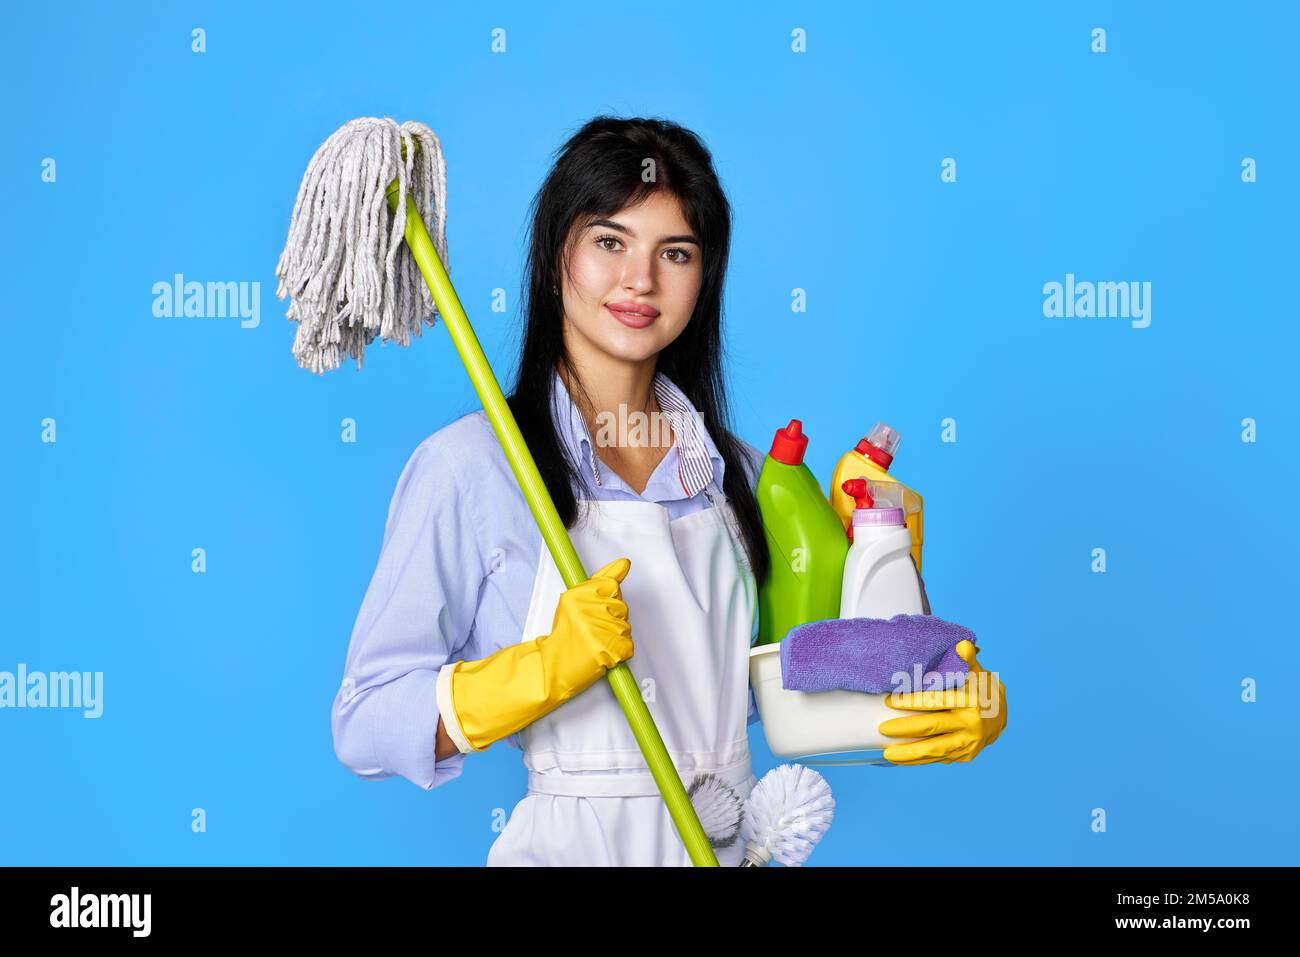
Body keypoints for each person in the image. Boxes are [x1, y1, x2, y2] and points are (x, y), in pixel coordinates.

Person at [330, 116, 1005, 867]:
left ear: (703, 276)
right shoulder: (472, 469)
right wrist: (538, 671)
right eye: (609, 242)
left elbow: (807, 676)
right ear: (558, 256)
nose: (640, 280)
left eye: (674, 253)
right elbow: (365, 721)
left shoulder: (743, 479)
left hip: (727, 842)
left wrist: (945, 684)